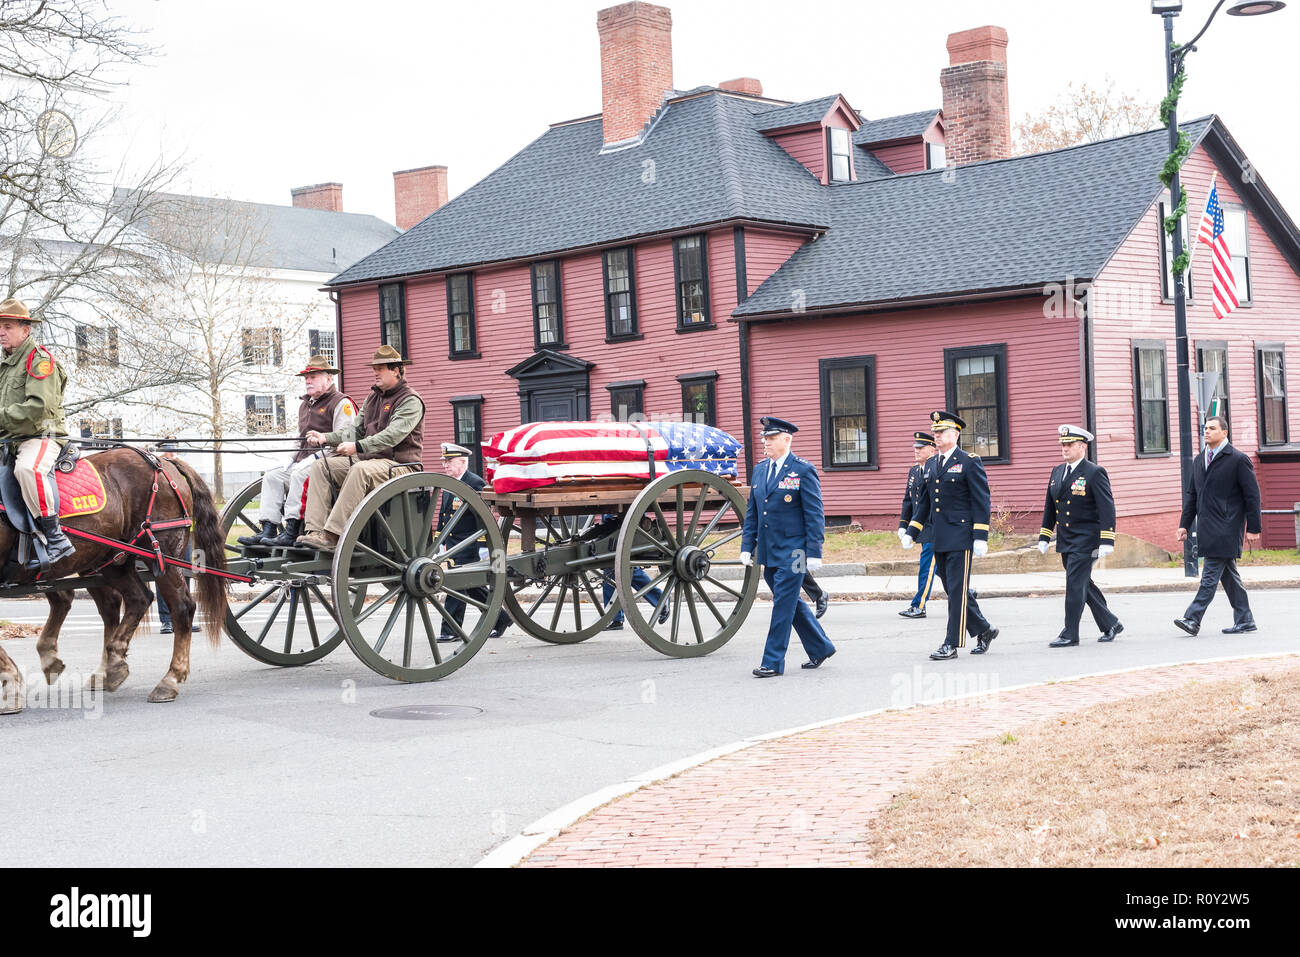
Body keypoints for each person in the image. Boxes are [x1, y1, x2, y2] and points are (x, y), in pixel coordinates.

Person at [297, 345, 424, 551]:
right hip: (371, 461)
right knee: (322, 466)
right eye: (374, 368)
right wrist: (325, 437)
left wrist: (357, 447)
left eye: (380, 368)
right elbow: (354, 431)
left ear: (396, 370)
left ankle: (332, 535)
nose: (375, 372)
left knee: (359, 470)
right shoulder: (373, 397)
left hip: (400, 465)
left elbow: (391, 436)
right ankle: (314, 532)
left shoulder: (410, 400)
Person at [741, 416, 835, 677]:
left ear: (786, 439)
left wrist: (814, 551)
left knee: (782, 605)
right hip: (770, 550)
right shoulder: (760, 470)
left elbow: (815, 514)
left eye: (771, 438)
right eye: (764, 438)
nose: (765, 443)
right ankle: (820, 647)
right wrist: (747, 546)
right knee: (791, 602)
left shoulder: (802, 469)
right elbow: (754, 513)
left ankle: (772, 661)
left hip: (794, 551)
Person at [901, 410, 999, 660]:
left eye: (941, 431)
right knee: (954, 588)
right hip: (938, 536)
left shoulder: (969, 461)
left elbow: (981, 499)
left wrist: (980, 535)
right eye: (935, 431)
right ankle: (984, 629)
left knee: (956, 591)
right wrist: (912, 530)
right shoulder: (932, 463)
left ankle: (951, 643)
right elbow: (924, 502)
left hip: (961, 536)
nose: (936, 435)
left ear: (955, 435)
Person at [237, 355, 356, 547]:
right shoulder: (305, 404)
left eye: (313, 376)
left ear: (328, 378)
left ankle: (292, 529)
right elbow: (300, 439)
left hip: (328, 461)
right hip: (304, 461)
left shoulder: (341, 403)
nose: (308, 381)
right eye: (306, 378)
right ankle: (268, 527)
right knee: (273, 476)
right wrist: (288, 459)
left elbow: (346, 438)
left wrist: (315, 457)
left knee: (300, 474)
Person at [0, 298, 75, 563]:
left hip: (40, 435)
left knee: (27, 469)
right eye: (0, 326)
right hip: (10, 439)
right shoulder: (5, 365)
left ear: (25, 329)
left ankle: (56, 538)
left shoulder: (40, 361)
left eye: (7, 326)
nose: (1, 332)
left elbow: (38, 408)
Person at [1174, 415, 1262, 636]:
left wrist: (1253, 527)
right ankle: (1245, 620)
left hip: (1227, 527)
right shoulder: (1199, 460)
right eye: (1205, 428)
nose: (1207, 431)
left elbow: (1252, 496)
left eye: (1212, 428)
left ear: (1225, 432)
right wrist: (1184, 524)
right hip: (1206, 527)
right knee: (1229, 577)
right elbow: (1192, 496)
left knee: (1209, 576)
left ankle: (1192, 618)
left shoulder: (1238, 459)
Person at [1038, 425, 1123, 647]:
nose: (1064, 448)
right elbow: (1050, 507)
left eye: (1069, 445)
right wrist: (1045, 536)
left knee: (1074, 585)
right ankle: (1110, 623)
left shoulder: (1094, 472)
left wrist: (1107, 539)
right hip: (1067, 538)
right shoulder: (1057, 471)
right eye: (1062, 445)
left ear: (1082, 447)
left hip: (1087, 539)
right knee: (1082, 583)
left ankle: (1070, 633)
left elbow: (1107, 508)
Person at [436, 442, 512, 640]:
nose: (445, 465)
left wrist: (482, 546)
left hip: (469, 544)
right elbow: (444, 516)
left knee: (456, 584)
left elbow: (485, 517)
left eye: (449, 461)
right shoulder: (449, 484)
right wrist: (439, 540)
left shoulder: (475, 483)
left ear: (463, 461)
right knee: (472, 586)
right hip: (453, 544)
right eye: (444, 461)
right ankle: (501, 619)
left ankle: (450, 630)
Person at [153, 437, 199, 634]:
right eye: (167, 451)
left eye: (173, 451)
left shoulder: (183, 470)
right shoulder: (156, 472)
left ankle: (185, 617)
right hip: (163, 531)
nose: (170, 454)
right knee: (163, 574)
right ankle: (166, 619)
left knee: (185, 574)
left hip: (184, 529)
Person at [898, 431, 937, 619]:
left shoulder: (937, 467)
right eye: (915, 448)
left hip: (935, 527)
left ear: (932, 449)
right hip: (920, 526)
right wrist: (903, 525)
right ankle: (967, 594)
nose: (916, 451)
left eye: (921, 448)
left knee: (927, 566)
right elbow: (908, 500)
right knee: (943, 569)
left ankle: (918, 605)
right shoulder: (914, 470)